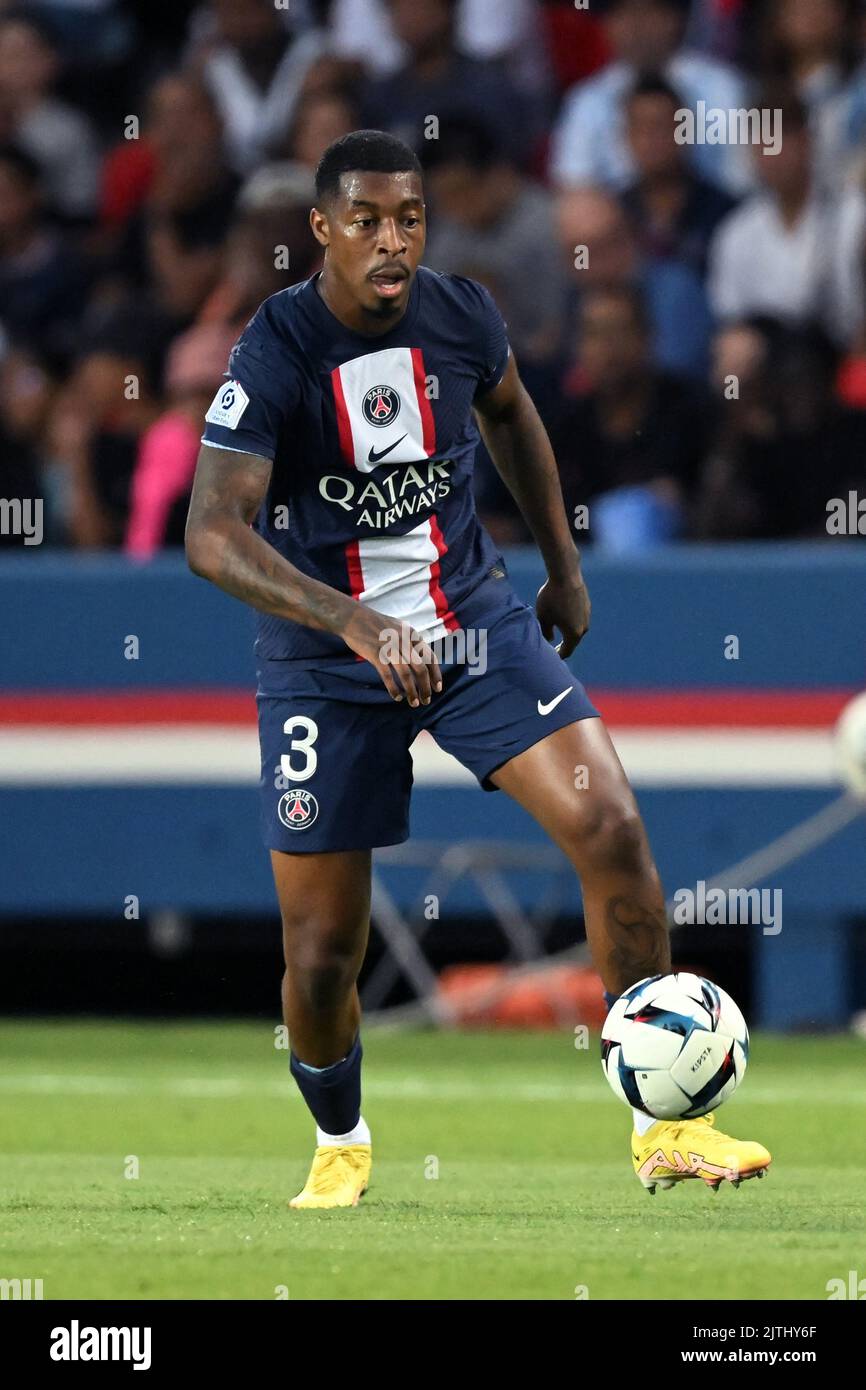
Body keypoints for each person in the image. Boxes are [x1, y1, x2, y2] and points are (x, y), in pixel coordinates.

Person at [185, 129, 771, 1208]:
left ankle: (663, 1128)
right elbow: (211, 535)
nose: (391, 238)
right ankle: (341, 1139)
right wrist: (355, 623)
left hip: (471, 629)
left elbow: (511, 415)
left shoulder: (461, 314)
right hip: (326, 657)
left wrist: (561, 567)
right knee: (321, 954)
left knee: (610, 828)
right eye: (365, 219)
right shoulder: (275, 346)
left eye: (407, 217)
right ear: (321, 230)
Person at [552, 283, 710, 549]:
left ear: (647, 338)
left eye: (618, 332)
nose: (607, 349)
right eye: (594, 335)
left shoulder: (692, 412)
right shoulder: (565, 426)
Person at [707, 91, 866, 348]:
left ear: (806, 141)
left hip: (841, 355)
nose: (771, 157)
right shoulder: (736, 232)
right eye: (761, 147)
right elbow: (731, 319)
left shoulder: (854, 214)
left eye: (778, 142)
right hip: (771, 365)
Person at [549, 0, 752, 197]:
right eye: (621, 14)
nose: (636, 27)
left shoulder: (723, 89)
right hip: (622, 225)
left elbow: (742, 180)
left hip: (712, 222)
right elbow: (574, 187)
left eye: (648, 11)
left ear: (675, 18)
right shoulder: (587, 100)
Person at [620, 73, 737, 278]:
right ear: (626, 137)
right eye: (641, 129)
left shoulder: (725, 214)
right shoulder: (615, 214)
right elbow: (582, 266)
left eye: (660, 127)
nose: (650, 141)